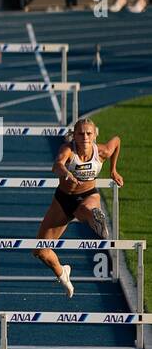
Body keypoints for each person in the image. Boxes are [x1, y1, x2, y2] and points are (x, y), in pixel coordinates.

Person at [32, 118, 123, 299]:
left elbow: (117, 140)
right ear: (74, 135)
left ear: (95, 135)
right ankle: (62, 272)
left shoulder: (102, 151)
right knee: (40, 251)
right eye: (81, 134)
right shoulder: (68, 150)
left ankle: (96, 219)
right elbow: (56, 165)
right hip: (63, 199)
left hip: (88, 195)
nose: (85, 138)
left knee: (87, 210)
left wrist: (113, 170)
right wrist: (66, 173)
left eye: (89, 133)